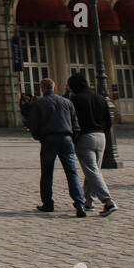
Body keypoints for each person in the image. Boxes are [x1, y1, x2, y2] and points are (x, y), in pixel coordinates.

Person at [26, 78, 88, 217]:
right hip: (66, 139)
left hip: (48, 140)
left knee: (47, 173)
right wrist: (72, 138)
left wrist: (39, 137)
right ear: (54, 88)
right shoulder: (67, 102)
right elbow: (75, 124)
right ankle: (79, 204)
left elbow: (33, 125)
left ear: (42, 89)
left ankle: (48, 203)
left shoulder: (39, 103)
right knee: (72, 172)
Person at [67, 74, 116, 216]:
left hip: (85, 137)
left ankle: (108, 201)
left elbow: (74, 121)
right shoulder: (100, 98)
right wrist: (103, 133)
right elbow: (109, 120)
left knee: (92, 171)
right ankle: (88, 201)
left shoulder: (76, 99)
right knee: (93, 171)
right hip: (101, 137)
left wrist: (74, 138)